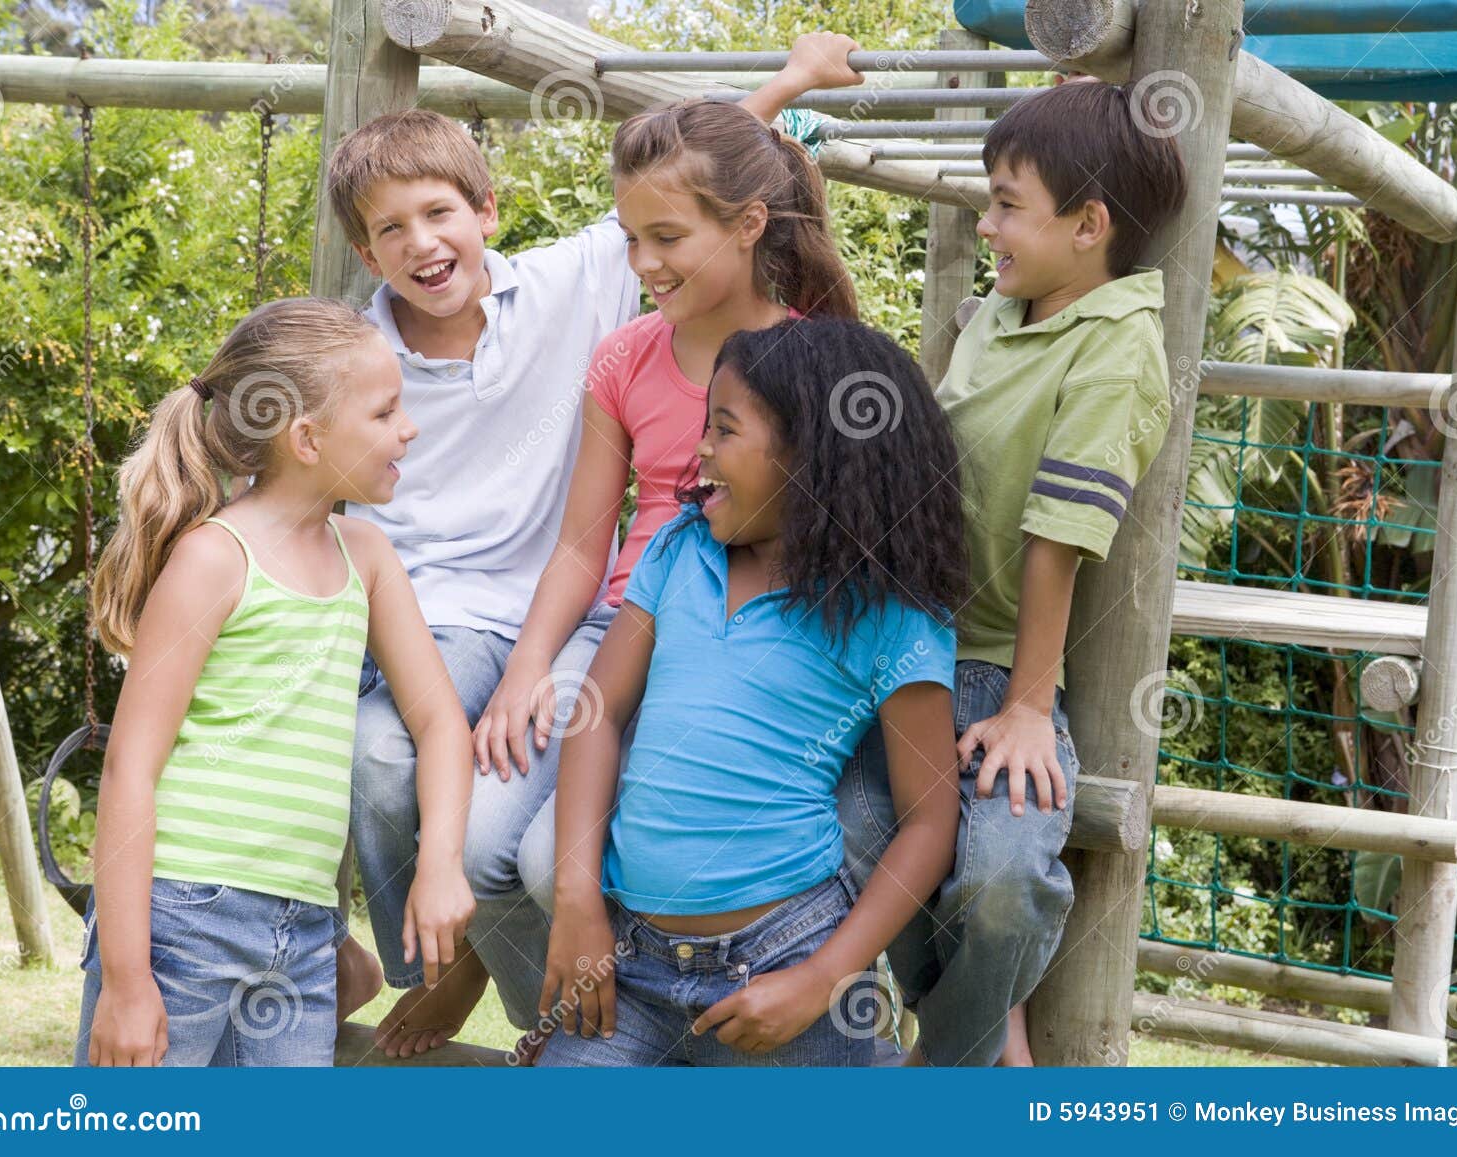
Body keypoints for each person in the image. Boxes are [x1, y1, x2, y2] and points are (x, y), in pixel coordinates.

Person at [326, 34, 867, 1058]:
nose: (420, 241)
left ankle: (631, 1032)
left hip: (698, 630)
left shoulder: (625, 300)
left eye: (438, 212)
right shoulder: (590, 345)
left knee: (535, 854)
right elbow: (586, 537)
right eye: (389, 229)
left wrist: (789, 82)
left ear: (485, 212)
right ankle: (555, 1018)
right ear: (367, 252)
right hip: (556, 616)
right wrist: (537, 663)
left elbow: (700, 182)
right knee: (443, 809)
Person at [843, 78, 1190, 1066]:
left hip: (1004, 672)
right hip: (907, 655)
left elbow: (1056, 536)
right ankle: (986, 1046)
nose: (984, 221)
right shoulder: (999, 311)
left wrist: (1031, 707)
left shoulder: (1117, 345)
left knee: (1001, 882)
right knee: (858, 844)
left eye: (1005, 203)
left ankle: (947, 1066)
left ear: (1088, 225)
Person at [538, 317, 964, 1066]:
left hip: (783, 967)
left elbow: (930, 822)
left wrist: (820, 979)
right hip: (629, 960)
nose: (699, 449)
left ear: (814, 457)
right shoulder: (679, 548)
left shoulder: (891, 617)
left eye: (724, 429)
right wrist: (575, 899)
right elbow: (596, 714)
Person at [75, 298, 475, 1066]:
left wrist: (441, 860)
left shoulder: (367, 557)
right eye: (386, 411)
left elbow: (440, 725)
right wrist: (127, 980)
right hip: (180, 916)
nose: (408, 428)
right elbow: (130, 767)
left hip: (301, 934)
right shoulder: (215, 558)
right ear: (306, 437)